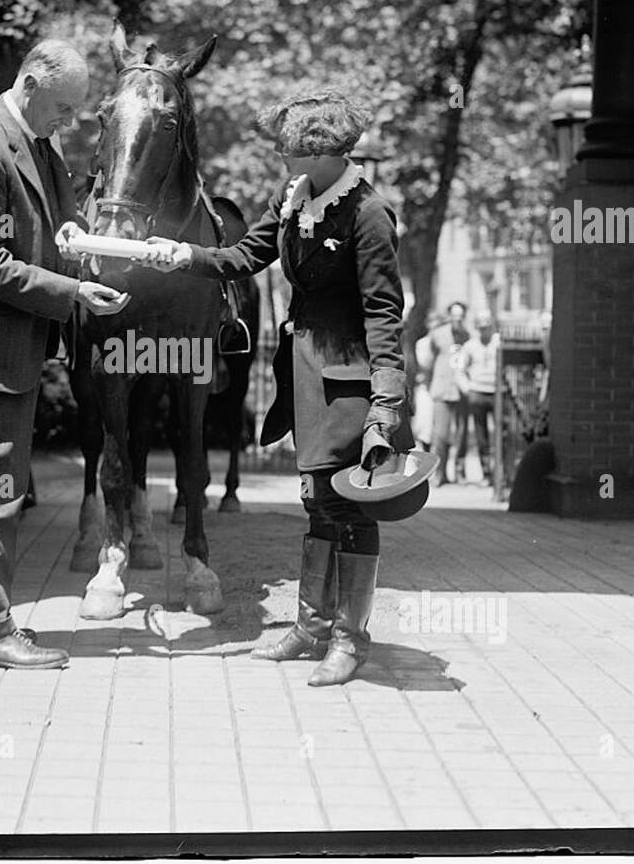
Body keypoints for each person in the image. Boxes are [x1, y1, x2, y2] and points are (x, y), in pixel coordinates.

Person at [136, 88, 410, 687]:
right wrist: (181, 255)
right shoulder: (292, 200)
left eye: (288, 145)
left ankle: (348, 638)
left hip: (352, 380)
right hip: (306, 372)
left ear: (318, 150)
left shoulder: (368, 213)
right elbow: (242, 257)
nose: (280, 154)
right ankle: (312, 628)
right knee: (316, 499)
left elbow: (386, 315)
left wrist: (385, 409)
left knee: (349, 505)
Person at [0, 40, 127, 670]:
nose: (71, 122)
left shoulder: (35, 142)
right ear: (27, 84)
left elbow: (56, 222)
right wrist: (72, 289)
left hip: (12, 346)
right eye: (63, 107)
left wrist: (75, 236)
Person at [426, 301, 471, 484]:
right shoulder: (437, 335)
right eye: (454, 316)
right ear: (449, 316)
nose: (457, 320)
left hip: (461, 390)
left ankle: (459, 472)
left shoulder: (467, 336)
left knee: (461, 433)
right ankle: (440, 473)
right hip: (442, 389)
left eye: (460, 316)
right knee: (440, 434)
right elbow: (428, 361)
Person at [461, 308, 499, 485]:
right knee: (481, 434)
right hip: (477, 392)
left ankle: (500, 473)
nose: (484, 328)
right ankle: (486, 472)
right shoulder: (470, 346)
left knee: (501, 432)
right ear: (477, 327)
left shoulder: (499, 342)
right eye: (481, 325)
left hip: (496, 392)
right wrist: (467, 388)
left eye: (487, 325)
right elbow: (460, 370)